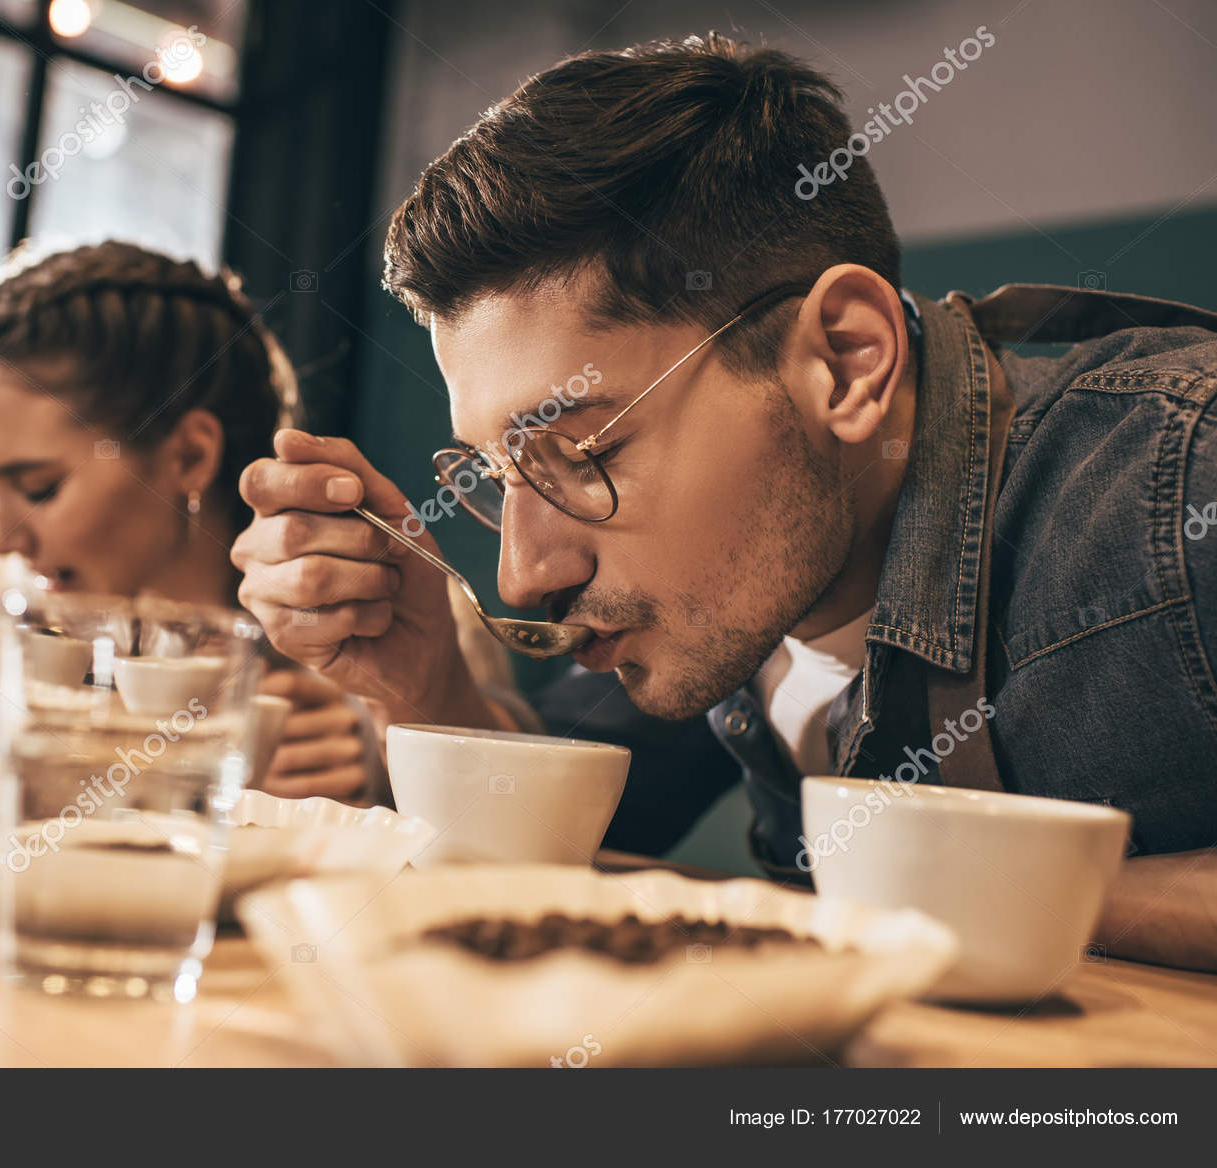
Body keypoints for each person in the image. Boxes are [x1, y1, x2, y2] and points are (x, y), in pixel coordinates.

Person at [229, 37, 1217, 969]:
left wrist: (945, 889)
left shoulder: (1178, 479)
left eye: (580, 450)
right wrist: (420, 683)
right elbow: (569, 839)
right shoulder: (737, 591)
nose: (523, 575)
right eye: (493, 476)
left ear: (844, 361)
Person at [0, 241, 408, 801]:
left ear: (189, 455)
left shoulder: (361, 604)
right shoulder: (13, 597)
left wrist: (381, 756)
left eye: (39, 487)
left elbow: (486, 773)